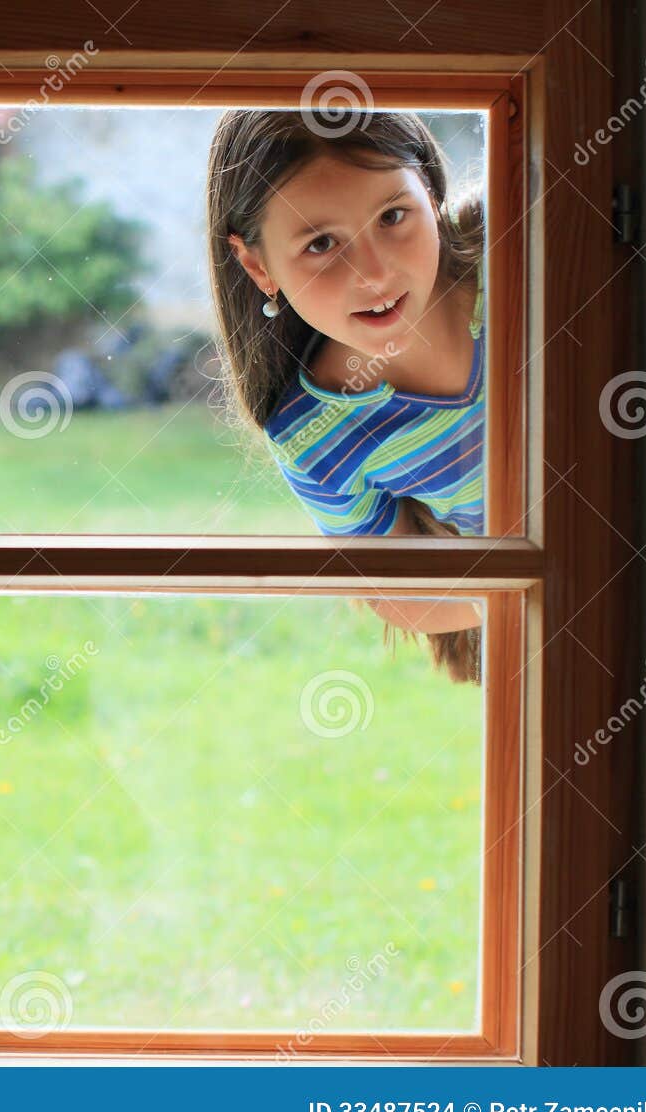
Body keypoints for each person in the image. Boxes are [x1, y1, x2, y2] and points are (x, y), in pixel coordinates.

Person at [208, 109, 486, 684]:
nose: (374, 274)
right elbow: (398, 591)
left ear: (430, 191)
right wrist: (553, 580)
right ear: (258, 265)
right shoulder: (315, 434)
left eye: (392, 216)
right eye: (322, 243)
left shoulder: (515, 256)